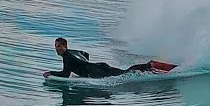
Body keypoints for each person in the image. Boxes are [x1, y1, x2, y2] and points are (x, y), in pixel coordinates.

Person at [43, 37, 176, 79]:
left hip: (97, 71)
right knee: (125, 72)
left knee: (126, 73)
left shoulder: (67, 57)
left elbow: (66, 74)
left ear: (65, 46)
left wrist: (50, 73)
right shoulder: (73, 52)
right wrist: (84, 66)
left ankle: (150, 65)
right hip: (99, 66)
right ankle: (153, 67)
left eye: (59, 46)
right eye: (56, 46)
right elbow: (85, 53)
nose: (57, 49)